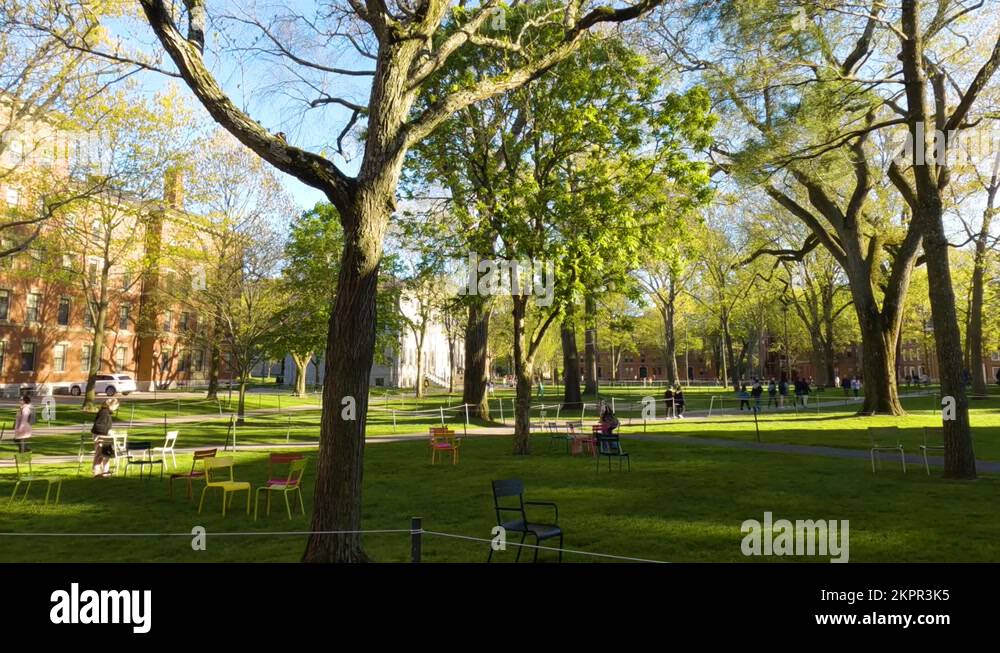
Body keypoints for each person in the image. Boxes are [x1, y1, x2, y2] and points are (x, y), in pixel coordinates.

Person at [91, 398, 118, 477]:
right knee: (100, 454)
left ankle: (105, 471)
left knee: (105, 454)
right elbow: (98, 426)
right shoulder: (104, 413)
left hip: (103, 436)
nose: (116, 408)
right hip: (100, 436)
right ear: (112, 405)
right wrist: (108, 431)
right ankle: (96, 472)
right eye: (116, 406)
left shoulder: (106, 413)